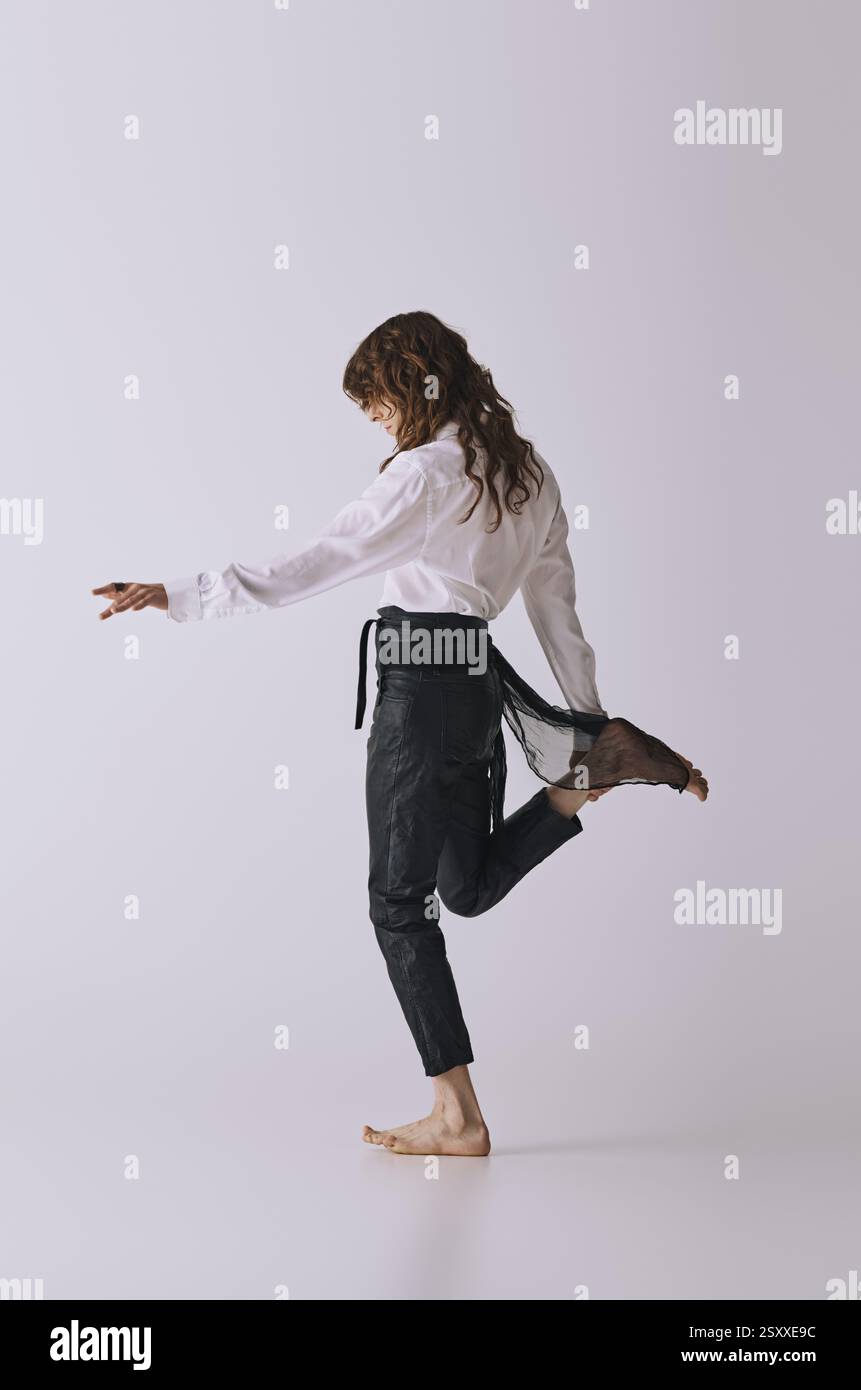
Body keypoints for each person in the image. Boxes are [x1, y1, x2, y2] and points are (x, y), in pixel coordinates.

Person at [92, 310, 708, 1158]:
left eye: (377, 404)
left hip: (419, 700)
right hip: (476, 693)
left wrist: (180, 592)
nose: (378, 422)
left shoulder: (424, 476)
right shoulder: (530, 476)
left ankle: (458, 1115)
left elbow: (311, 564)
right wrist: (589, 725)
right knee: (463, 889)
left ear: (413, 384)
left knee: (397, 907)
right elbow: (556, 610)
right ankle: (572, 790)